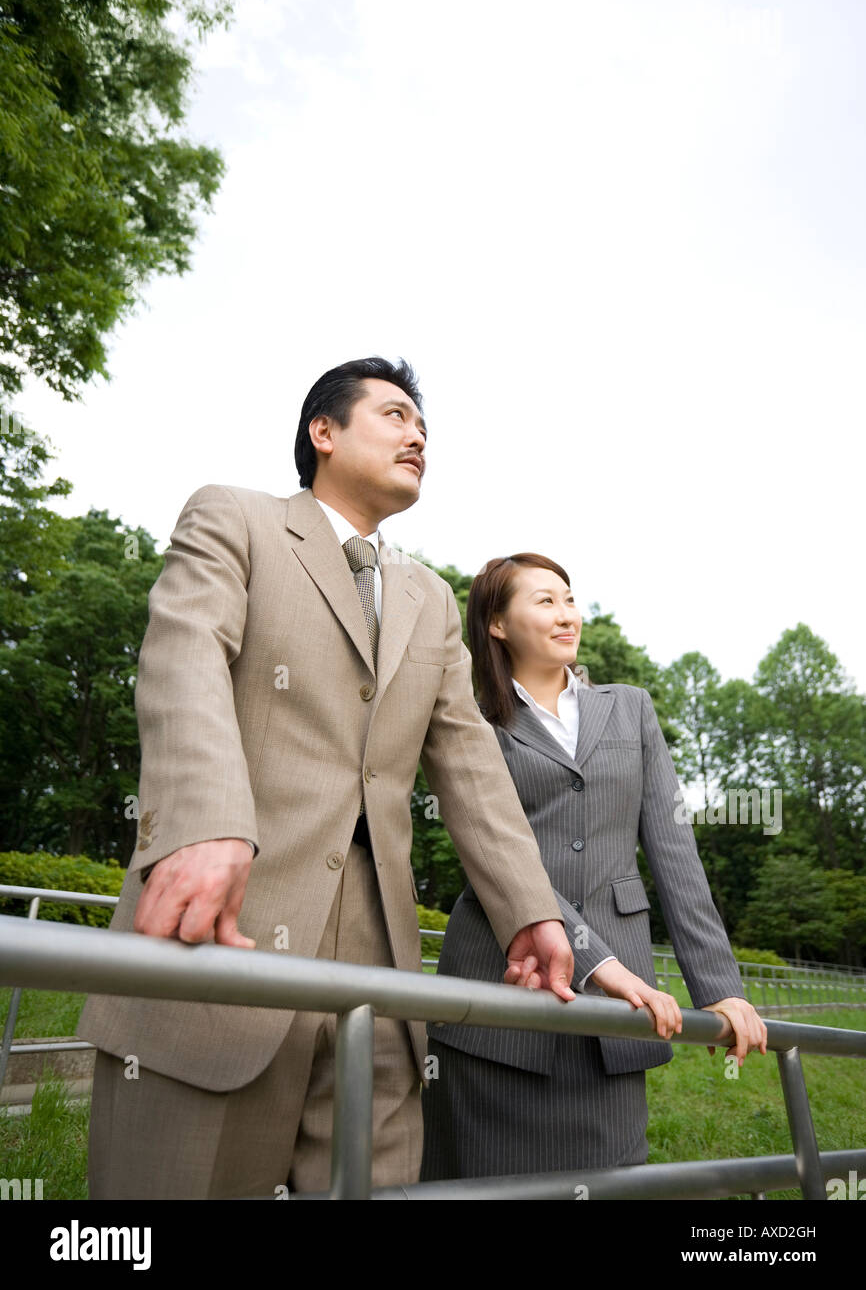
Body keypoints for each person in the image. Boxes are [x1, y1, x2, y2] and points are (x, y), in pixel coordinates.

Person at [77, 361, 576, 1199]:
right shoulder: (233, 517)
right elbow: (183, 656)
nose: (418, 436)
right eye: (395, 415)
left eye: (426, 427)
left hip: (380, 978)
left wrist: (531, 911)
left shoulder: (433, 600)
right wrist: (203, 822)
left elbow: (472, 770)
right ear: (324, 433)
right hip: (222, 933)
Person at [421, 553, 767, 1180]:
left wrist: (720, 988)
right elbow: (496, 853)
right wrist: (595, 961)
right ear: (497, 623)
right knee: (477, 1186)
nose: (567, 615)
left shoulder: (630, 708)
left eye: (570, 599)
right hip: (501, 987)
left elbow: (674, 852)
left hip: (620, 1014)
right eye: (545, 601)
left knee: (610, 1181)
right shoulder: (469, 721)